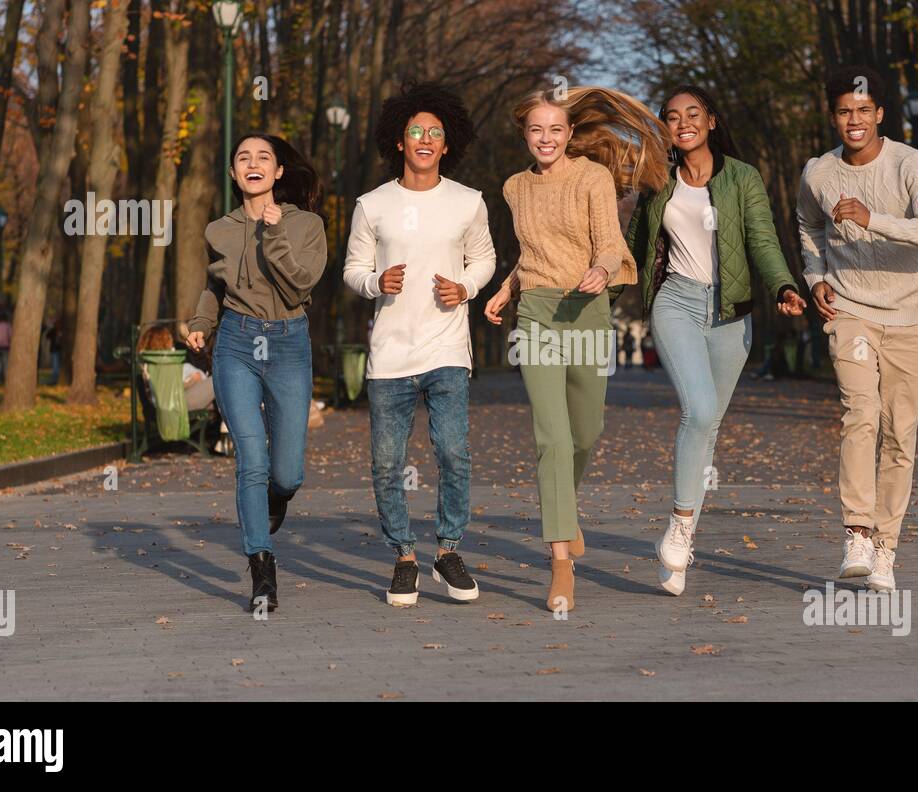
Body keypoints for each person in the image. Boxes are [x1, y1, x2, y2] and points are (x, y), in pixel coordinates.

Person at [485, 85, 670, 613]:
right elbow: (530, 253)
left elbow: (610, 242)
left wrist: (602, 269)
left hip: (587, 310)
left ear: (569, 135)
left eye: (555, 130)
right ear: (525, 134)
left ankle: (565, 510)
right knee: (552, 436)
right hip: (538, 313)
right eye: (536, 130)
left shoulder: (593, 177)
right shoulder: (514, 186)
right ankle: (561, 560)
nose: (546, 138)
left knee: (587, 431)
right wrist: (506, 288)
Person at [625, 85, 807, 596]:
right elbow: (633, 243)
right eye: (672, 117)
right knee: (699, 412)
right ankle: (681, 527)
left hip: (731, 313)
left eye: (693, 114)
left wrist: (784, 285)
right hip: (675, 300)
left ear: (710, 120)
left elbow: (762, 241)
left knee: (710, 426)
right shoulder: (657, 180)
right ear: (665, 129)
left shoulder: (743, 177)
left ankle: (679, 545)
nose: (683, 123)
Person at [796, 65, 918, 593]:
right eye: (844, 111)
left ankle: (886, 548)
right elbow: (808, 224)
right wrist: (815, 276)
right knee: (860, 411)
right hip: (851, 311)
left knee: (900, 433)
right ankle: (857, 533)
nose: (853, 120)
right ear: (833, 116)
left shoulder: (911, 164)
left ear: (880, 114)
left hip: (908, 315)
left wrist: (872, 218)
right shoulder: (818, 172)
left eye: (863, 110)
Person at [344, 82, 496, 607]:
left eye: (435, 132)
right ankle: (404, 556)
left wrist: (467, 287)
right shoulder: (373, 205)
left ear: (446, 144)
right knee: (387, 462)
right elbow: (353, 269)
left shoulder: (468, 202)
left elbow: (485, 260)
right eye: (416, 131)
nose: (426, 138)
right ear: (401, 142)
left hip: (447, 350)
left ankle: (448, 550)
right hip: (390, 354)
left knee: (453, 452)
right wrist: (374, 282)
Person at [185, 133, 328, 613]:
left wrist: (274, 235)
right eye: (242, 157)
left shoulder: (305, 224)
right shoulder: (218, 229)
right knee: (251, 458)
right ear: (233, 173)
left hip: (288, 342)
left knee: (287, 472)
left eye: (263, 157)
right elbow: (214, 285)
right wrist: (202, 324)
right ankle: (261, 569)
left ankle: (277, 495)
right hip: (237, 344)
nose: (253, 163)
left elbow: (300, 286)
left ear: (278, 172)